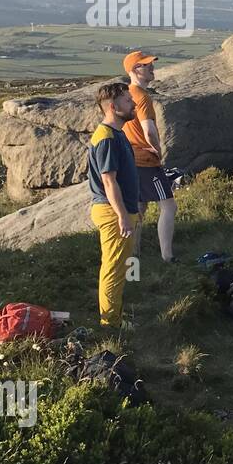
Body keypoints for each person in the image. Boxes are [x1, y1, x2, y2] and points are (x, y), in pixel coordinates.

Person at [88, 81, 142, 328]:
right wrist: (122, 215)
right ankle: (110, 325)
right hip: (112, 213)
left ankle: (115, 317)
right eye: (127, 100)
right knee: (113, 269)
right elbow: (109, 182)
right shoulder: (107, 138)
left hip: (120, 210)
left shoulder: (116, 134)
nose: (133, 103)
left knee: (119, 268)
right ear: (112, 106)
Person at [122, 50, 177, 261]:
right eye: (146, 65)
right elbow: (149, 130)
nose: (152, 67)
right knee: (168, 205)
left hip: (129, 160)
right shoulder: (142, 97)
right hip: (145, 161)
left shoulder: (126, 94)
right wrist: (157, 149)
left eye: (150, 63)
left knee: (139, 207)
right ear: (135, 70)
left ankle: (132, 255)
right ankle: (167, 256)